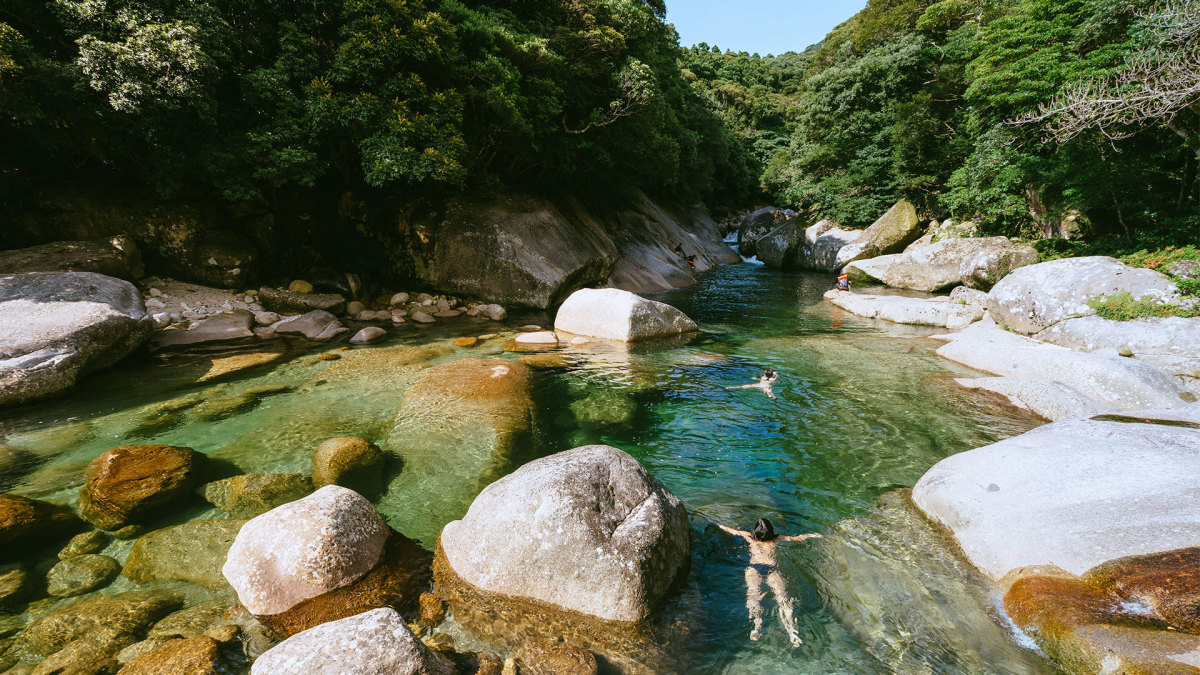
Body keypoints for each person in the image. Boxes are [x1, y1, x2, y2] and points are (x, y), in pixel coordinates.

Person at [718, 518, 822, 648]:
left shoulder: (749, 537)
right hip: (772, 570)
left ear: (755, 531)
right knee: (783, 599)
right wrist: (812, 535)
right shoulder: (776, 539)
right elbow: (797, 538)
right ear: (771, 531)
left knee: (753, 597)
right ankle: (792, 631)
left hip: (754, 569)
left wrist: (717, 524)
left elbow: (731, 531)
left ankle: (757, 625)